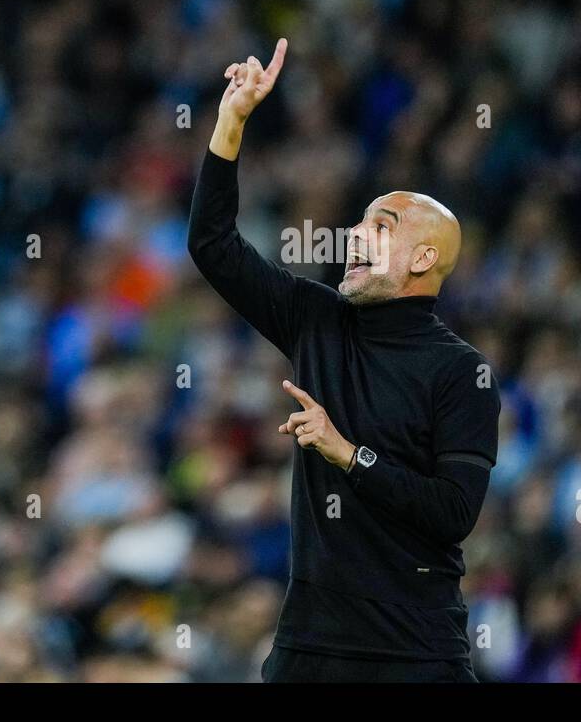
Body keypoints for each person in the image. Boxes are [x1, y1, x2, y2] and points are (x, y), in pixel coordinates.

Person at [188, 39, 501, 681]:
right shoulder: (315, 317)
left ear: (421, 260)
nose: (356, 233)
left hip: (414, 652)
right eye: (358, 222)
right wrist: (232, 122)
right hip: (309, 648)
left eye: (381, 225)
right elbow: (212, 244)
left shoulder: (460, 372)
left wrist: (347, 453)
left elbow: (453, 512)